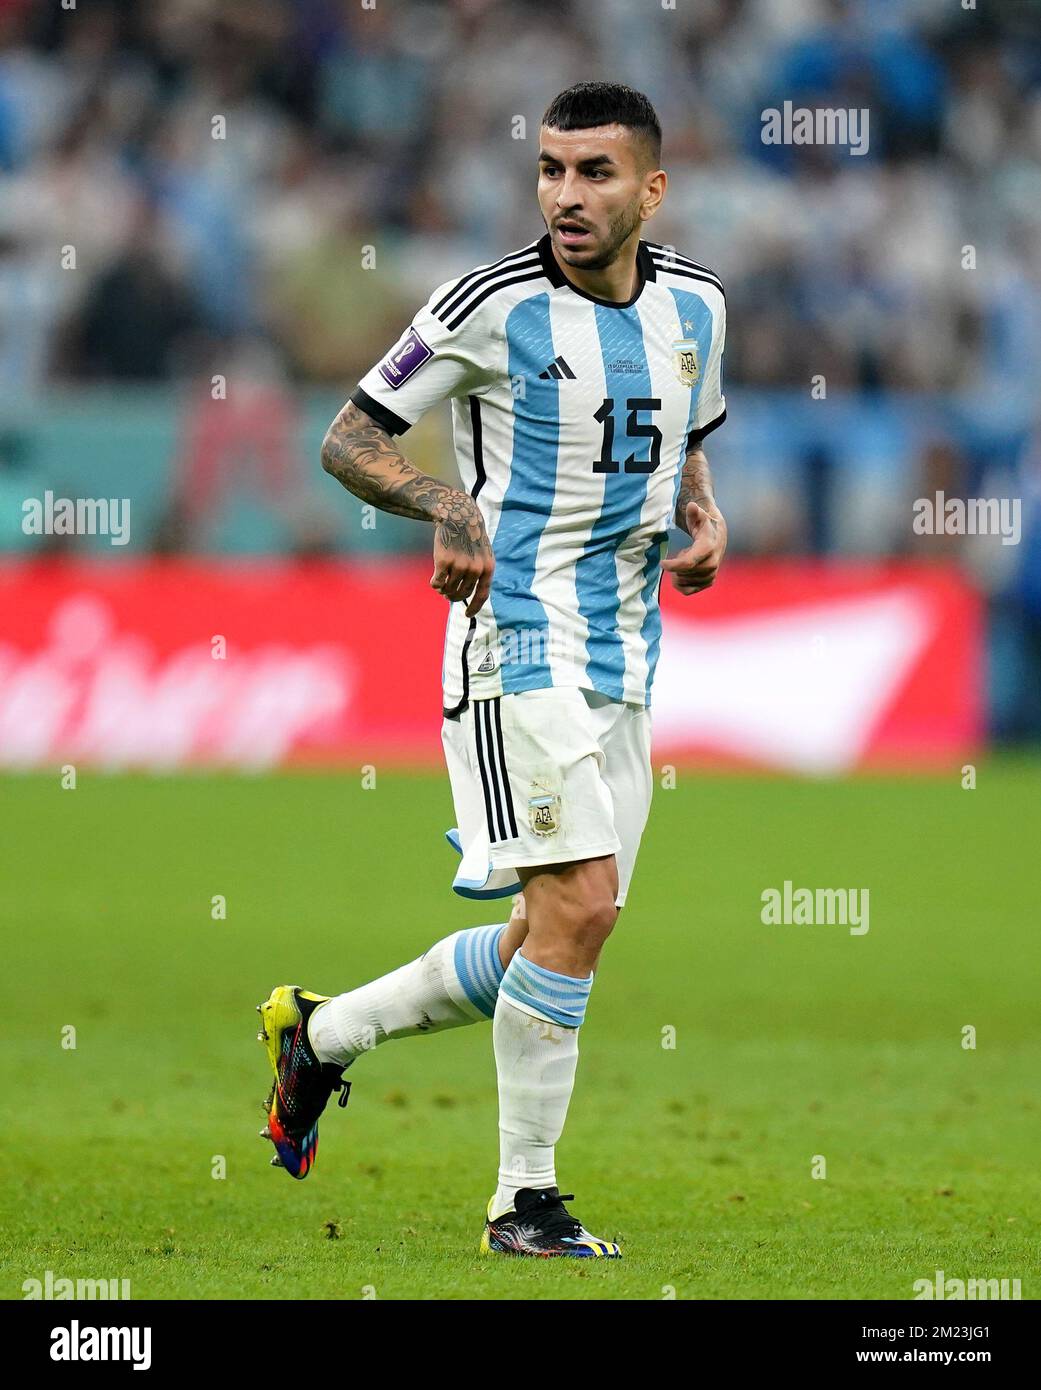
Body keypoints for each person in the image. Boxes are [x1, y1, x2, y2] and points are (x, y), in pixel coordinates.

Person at [255, 82, 729, 1259]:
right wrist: (442, 496)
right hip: (511, 639)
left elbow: (689, 438)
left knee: (549, 934)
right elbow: (349, 435)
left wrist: (702, 515)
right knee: (585, 905)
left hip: (625, 653)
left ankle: (320, 1033)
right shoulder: (486, 304)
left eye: (596, 173)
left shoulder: (702, 309)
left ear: (651, 189)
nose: (567, 195)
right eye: (551, 170)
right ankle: (523, 1202)